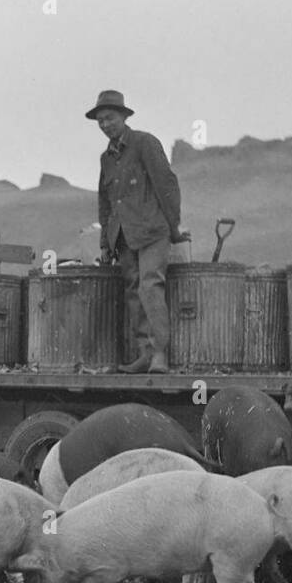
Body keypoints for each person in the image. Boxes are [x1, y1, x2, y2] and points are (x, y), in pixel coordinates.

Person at [86, 89, 185, 374]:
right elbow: (105, 203)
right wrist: (106, 242)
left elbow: (167, 185)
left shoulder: (145, 143)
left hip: (153, 231)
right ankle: (145, 353)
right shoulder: (106, 158)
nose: (105, 125)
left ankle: (160, 355)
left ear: (124, 117)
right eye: (100, 121)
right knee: (133, 292)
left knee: (149, 285)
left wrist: (173, 227)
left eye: (110, 118)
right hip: (123, 238)